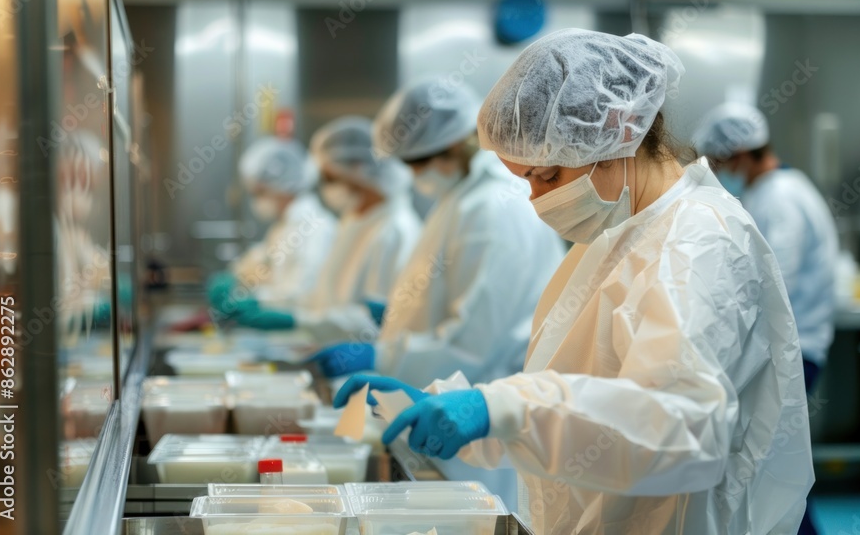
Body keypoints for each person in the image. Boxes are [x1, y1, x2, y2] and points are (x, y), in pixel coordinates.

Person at [335, 29, 814, 534]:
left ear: (615, 129)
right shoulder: (620, 233)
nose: (538, 199)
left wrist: (501, 408)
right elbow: (582, 400)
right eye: (526, 181)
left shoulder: (696, 243)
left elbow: (679, 429)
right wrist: (456, 411)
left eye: (547, 176)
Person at [311, 78, 566, 388]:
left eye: (418, 161)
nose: (414, 173)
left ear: (456, 144)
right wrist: (404, 311)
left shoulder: (494, 208)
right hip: (452, 390)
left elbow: (473, 345)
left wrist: (382, 357)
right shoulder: (461, 198)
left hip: (482, 399)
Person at [694, 102, 838, 535]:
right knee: (771, 469)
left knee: (774, 472)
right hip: (788, 348)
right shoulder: (774, 191)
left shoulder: (780, 199)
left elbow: (773, 286)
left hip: (790, 352)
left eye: (720, 162)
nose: (720, 171)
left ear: (740, 153)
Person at [234, 116, 423, 339]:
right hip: (328, 348)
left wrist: (298, 321)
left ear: (358, 169)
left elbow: (380, 318)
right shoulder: (353, 222)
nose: (326, 187)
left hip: (359, 362)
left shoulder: (396, 230)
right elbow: (324, 299)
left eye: (330, 177)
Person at [209, 137, 336, 321]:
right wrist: (235, 278)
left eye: (260, 192)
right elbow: (261, 265)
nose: (257, 201)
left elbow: (305, 294)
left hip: (301, 330)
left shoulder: (317, 228)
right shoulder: (283, 227)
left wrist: (254, 299)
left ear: (283, 186)